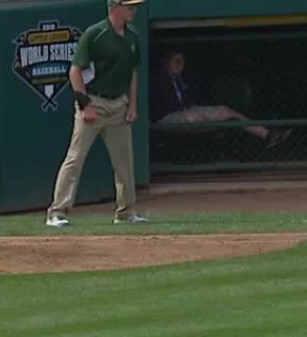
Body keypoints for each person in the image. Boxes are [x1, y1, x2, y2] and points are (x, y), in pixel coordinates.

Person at [46, 0, 146, 228]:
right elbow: (75, 71)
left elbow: (132, 72)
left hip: (118, 104)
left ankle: (126, 212)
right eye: (129, 6)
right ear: (114, 6)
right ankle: (57, 211)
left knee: (124, 162)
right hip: (94, 101)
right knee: (75, 158)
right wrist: (85, 105)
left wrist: (132, 106)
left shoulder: (133, 35)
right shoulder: (95, 33)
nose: (134, 9)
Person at [151, 50, 292, 148]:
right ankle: (221, 127)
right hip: (168, 117)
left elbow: (190, 102)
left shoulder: (183, 79)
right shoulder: (157, 80)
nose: (179, 64)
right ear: (165, 62)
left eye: (181, 61)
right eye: (175, 61)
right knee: (192, 117)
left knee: (225, 110)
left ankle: (267, 135)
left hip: (189, 110)